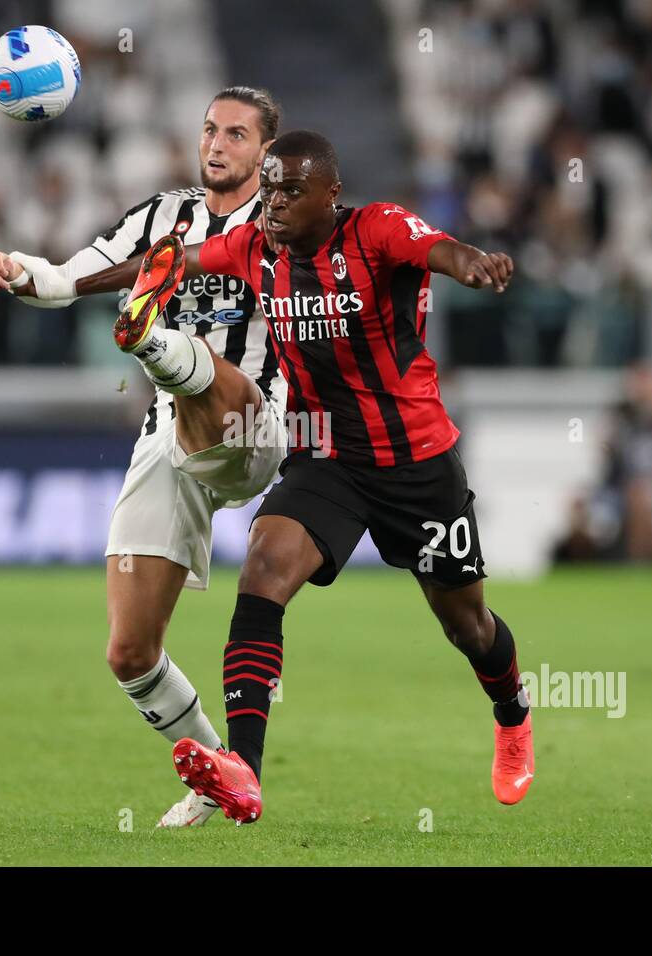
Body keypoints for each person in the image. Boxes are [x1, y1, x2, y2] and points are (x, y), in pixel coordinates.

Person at [67, 130, 531, 824]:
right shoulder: (257, 248)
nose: (273, 202)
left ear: (330, 195)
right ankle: (243, 774)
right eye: (270, 187)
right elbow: (173, 260)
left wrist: (474, 266)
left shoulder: (375, 230)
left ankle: (512, 716)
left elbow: (438, 251)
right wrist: (65, 284)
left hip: (416, 463)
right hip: (326, 460)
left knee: (467, 625)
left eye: (289, 190)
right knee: (263, 571)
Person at [0, 87, 287, 827]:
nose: (216, 144)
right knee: (129, 652)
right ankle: (222, 775)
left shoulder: (286, 224)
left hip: (256, 427)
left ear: (266, 153)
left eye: (236, 135)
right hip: (169, 436)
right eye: (209, 129)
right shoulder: (159, 216)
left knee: (208, 370)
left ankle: (149, 338)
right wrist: (15, 267)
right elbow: (61, 279)